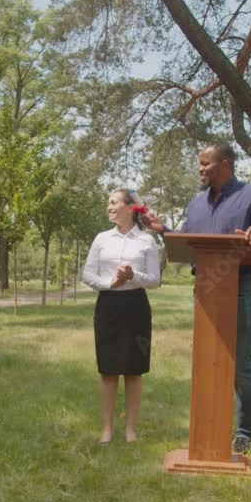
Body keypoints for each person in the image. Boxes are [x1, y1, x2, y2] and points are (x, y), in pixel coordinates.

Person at [143, 142, 251, 455]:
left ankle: (246, 432)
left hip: (242, 288)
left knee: (239, 365)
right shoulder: (196, 204)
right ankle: (208, 427)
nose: (200, 169)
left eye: (205, 164)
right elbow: (188, 242)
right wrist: (163, 230)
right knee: (208, 361)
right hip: (206, 290)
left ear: (225, 165)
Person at [83, 189, 160, 444]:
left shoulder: (147, 241)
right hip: (108, 306)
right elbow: (87, 275)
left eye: (114, 202)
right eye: (108, 203)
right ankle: (107, 429)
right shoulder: (101, 239)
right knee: (108, 370)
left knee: (134, 370)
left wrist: (132, 277)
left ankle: (130, 430)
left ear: (130, 208)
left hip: (136, 307)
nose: (109, 207)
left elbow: (155, 279)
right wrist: (110, 283)